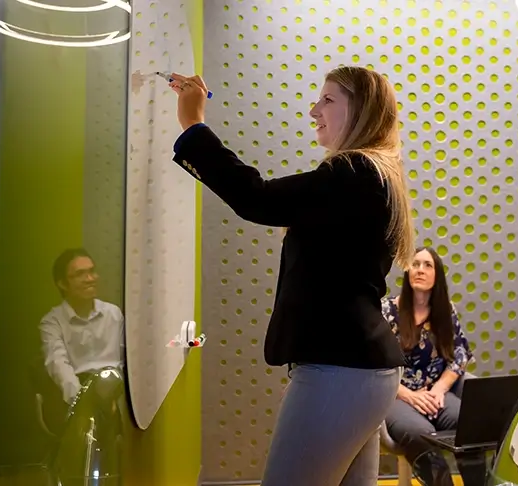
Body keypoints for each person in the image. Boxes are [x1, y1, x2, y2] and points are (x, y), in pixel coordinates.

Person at [167, 67, 415, 485]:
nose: (314, 109)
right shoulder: (373, 176)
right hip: (358, 371)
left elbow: (256, 198)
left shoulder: (353, 172)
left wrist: (193, 125)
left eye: (329, 100)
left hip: (344, 370)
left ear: (363, 110)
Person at [383, 247, 477, 486]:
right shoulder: (387, 311)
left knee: (471, 423)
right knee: (420, 432)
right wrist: (410, 396)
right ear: (407, 271)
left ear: (438, 275)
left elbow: (459, 356)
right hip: (396, 396)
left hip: (435, 395)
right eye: (415, 265)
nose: (420, 270)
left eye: (427, 265)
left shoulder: (446, 311)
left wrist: (438, 390)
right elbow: (374, 367)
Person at [39, 248, 124, 404]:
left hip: (116, 393)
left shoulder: (113, 314)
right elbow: (58, 365)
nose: (90, 278)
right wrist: (83, 402)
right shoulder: (52, 322)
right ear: (63, 284)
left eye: (92, 271)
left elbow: (127, 361)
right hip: (78, 397)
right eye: (80, 274)